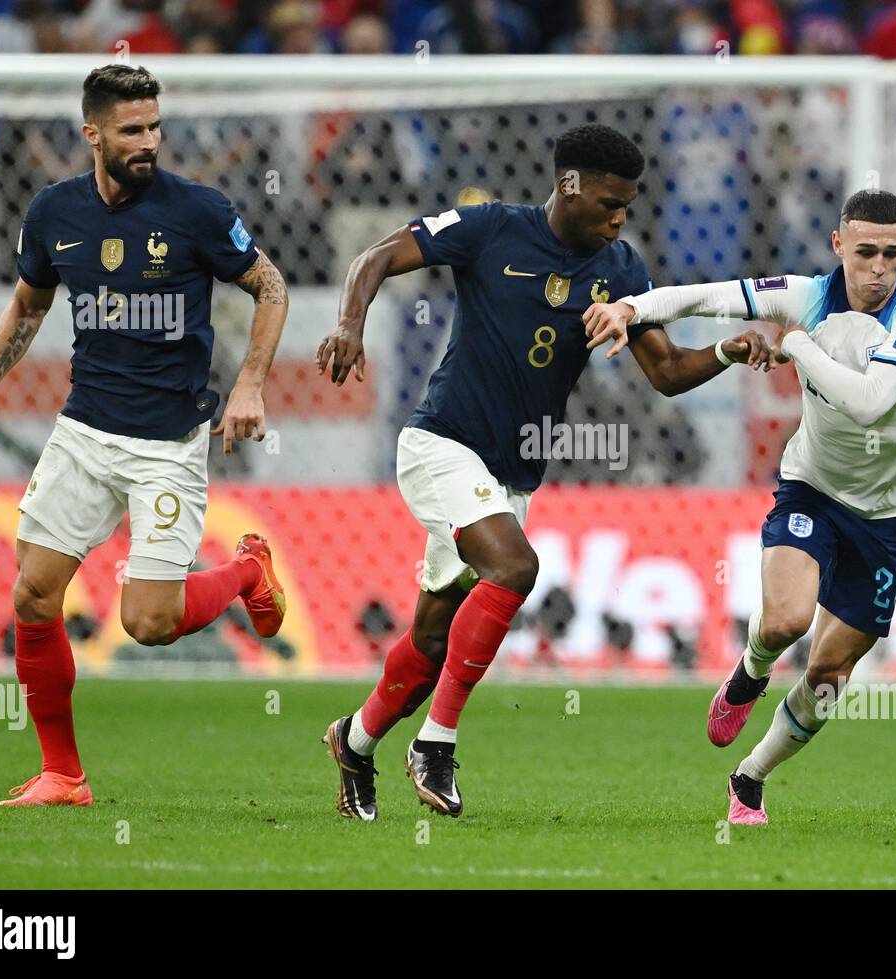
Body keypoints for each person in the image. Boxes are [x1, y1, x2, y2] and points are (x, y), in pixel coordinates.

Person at [315, 124, 776, 821]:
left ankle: (354, 739)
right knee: (515, 569)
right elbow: (374, 256)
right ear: (569, 185)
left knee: (432, 646)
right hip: (441, 442)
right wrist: (350, 324)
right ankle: (435, 745)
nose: (620, 217)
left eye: (630, 204)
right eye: (609, 202)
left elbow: (669, 371)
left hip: (512, 476)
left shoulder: (620, 269)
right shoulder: (490, 227)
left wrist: (729, 350)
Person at [0, 64, 290, 807]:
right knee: (33, 594)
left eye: (155, 127)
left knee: (148, 621)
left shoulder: (196, 211)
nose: (149, 141)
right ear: (91, 133)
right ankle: (64, 773)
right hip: (85, 432)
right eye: (132, 130)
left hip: (167, 442)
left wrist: (251, 382)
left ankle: (248, 572)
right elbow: (30, 300)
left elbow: (271, 286)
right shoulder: (54, 212)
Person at [584, 189, 896, 824]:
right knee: (785, 622)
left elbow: (869, 402)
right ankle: (750, 673)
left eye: (891, 254)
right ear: (839, 247)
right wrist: (629, 306)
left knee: (830, 672)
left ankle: (750, 776)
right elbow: (708, 296)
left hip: (890, 513)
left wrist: (797, 347)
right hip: (813, 486)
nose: (878, 268)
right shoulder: (807, 295)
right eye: (864, 252)